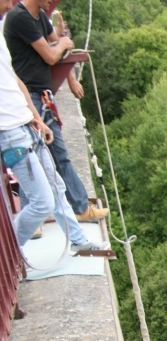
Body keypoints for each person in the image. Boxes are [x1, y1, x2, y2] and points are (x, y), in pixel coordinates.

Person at [0, 0, 107, 252]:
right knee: (42, 203)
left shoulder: (6, 29)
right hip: (10, 130)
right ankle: (10, 252)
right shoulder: (18, 18)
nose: (9, 5)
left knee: (56, 186)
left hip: (25, 121)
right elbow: (50, 55)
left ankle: (79, 242)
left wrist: (34, 117)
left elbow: (15, 80)